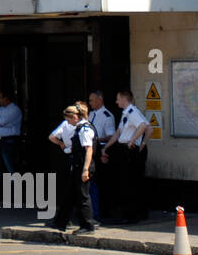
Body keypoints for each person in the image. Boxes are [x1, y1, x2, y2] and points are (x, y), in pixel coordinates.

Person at [102, 89, 150, 223]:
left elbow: (143, 126)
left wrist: (133, 141)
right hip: (124, 149)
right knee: (127, 182)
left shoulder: (131, 112)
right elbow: (118, 133)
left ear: (124, 99)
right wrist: (106, 147)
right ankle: (133, 213)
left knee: (130, 182)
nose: (116, 102)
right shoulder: (126, 113)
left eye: (118, 99)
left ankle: (132, 215)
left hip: (129, 150)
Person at [48, 104, 95, 234]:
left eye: (69, 120)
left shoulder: (85, 129)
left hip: (82, 165)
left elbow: (88, 150)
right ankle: (60, 222)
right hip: (76, 164)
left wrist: (85, 169)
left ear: (74, 117)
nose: (68, 123)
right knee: (70, 194)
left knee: (82, 196)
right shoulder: (79, 128)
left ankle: (87, 225)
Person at [86, 91, 116, 222]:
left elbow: (111, 135)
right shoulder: (91, 114)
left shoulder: (107, 115)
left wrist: (97, 139)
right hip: (89, 149)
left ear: (100, 100)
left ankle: (102, 212)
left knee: (100, 183)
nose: (90, 103)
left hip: (100, 149)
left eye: (92, 100)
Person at [0, 91, 22, 176]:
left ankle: (15, 186)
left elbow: (3, 122)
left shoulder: (15, 109)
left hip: (8, 141)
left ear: (6, 98)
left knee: (10, 166)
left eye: (0, 98)